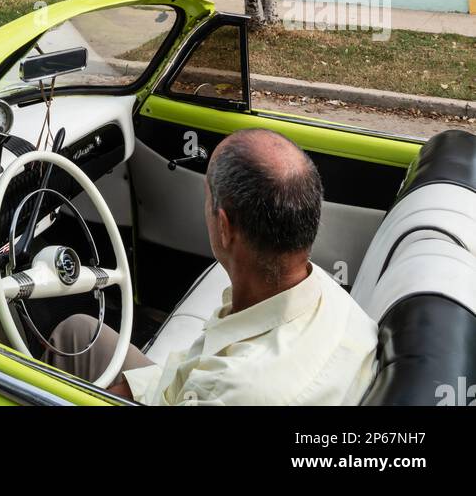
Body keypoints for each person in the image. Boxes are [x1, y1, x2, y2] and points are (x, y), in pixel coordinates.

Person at [47, 128, 378, 406]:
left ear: (224, 227)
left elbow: (209, 385)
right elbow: (195, 369)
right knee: (75, 333)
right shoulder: (321, 292)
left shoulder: (230, 390)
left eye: (207, 198)